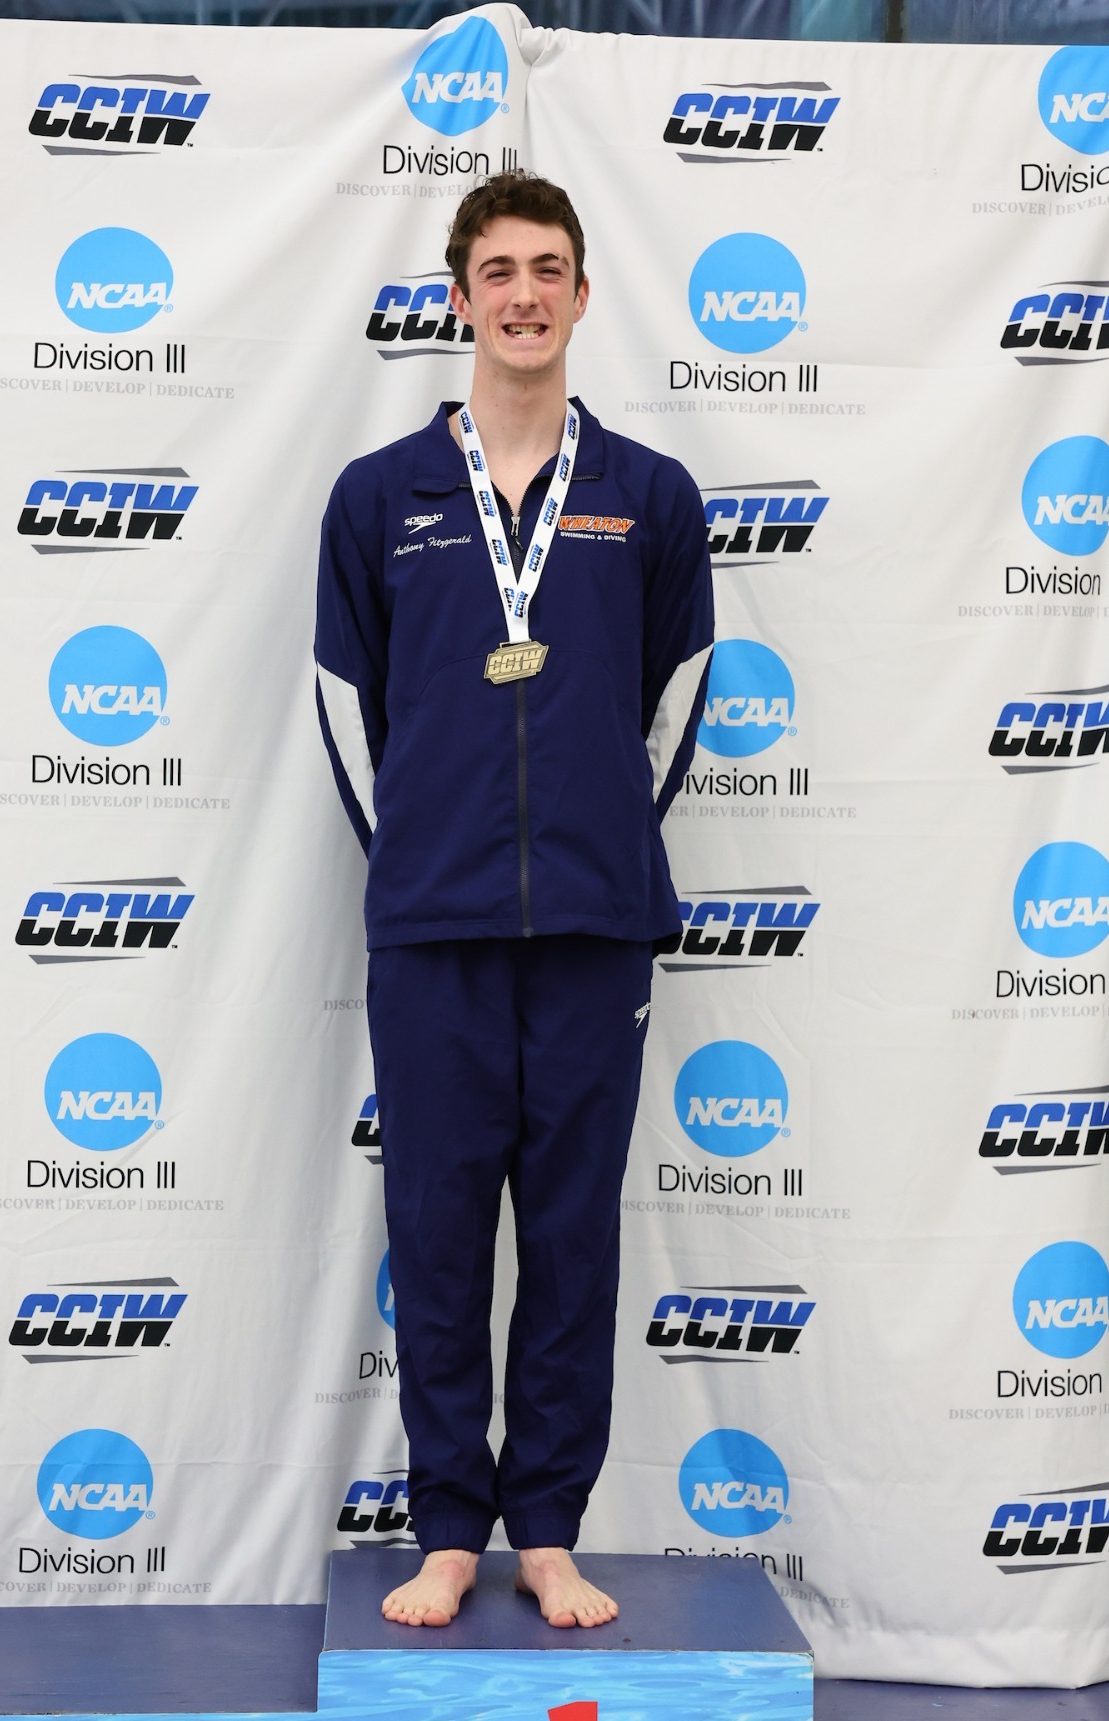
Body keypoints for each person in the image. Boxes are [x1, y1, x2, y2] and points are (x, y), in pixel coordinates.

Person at [315, 171, 713, 1629]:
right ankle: (443, 1528)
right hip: (433, 929)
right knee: (432, 1227)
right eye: (497, 270)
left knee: (568, 1231)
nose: (524, 294)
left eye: (549, 267)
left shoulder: (648, 498)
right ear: (457, 297)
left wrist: (605, 834)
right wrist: (420, 851)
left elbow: (671, 701)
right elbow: (342, 702)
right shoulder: (379, 499)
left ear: (584, 293)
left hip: (596, 926)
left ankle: (544, 1524)